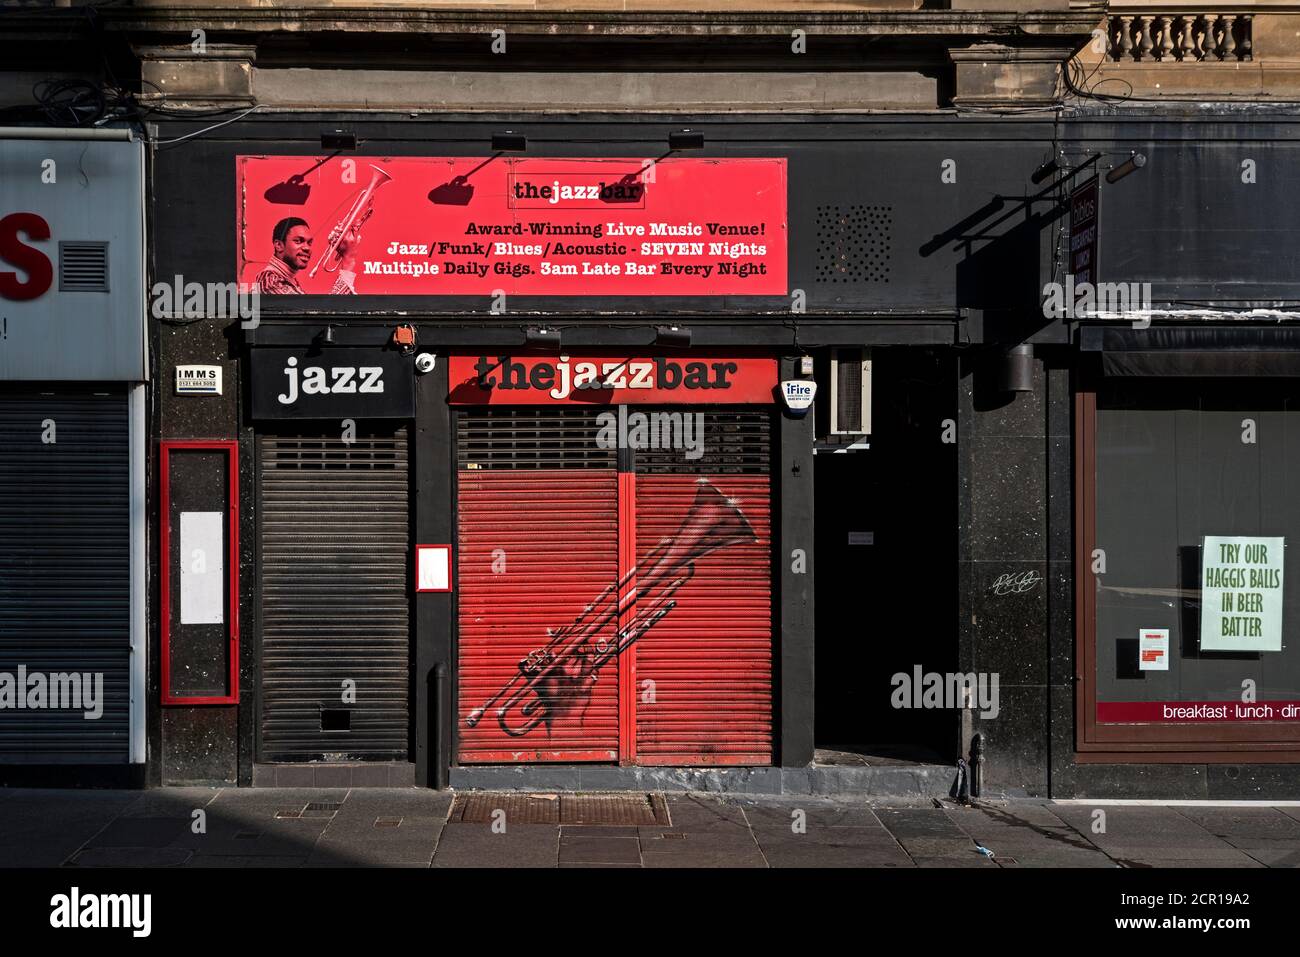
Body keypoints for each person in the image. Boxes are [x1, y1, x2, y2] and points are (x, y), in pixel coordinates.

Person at [253, 216, 359, 294]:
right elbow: (316, 321)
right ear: (279, 245)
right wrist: (348, 259)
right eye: (298, 241)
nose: (307, 248)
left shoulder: (287, 280)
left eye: (309, 243)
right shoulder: (270, 280)